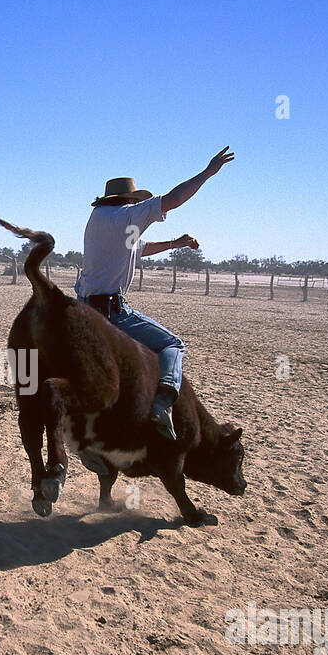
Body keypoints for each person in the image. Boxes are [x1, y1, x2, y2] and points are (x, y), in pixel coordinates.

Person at [75, 146, 235, 440]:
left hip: (83, 310)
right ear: (130, 201)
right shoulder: (127, 216)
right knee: (173, 345)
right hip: (111, 313)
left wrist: (176, 243)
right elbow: (173, 199)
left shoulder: (99, 220)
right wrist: (208, 172)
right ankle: (162, 402)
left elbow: (141, 248)